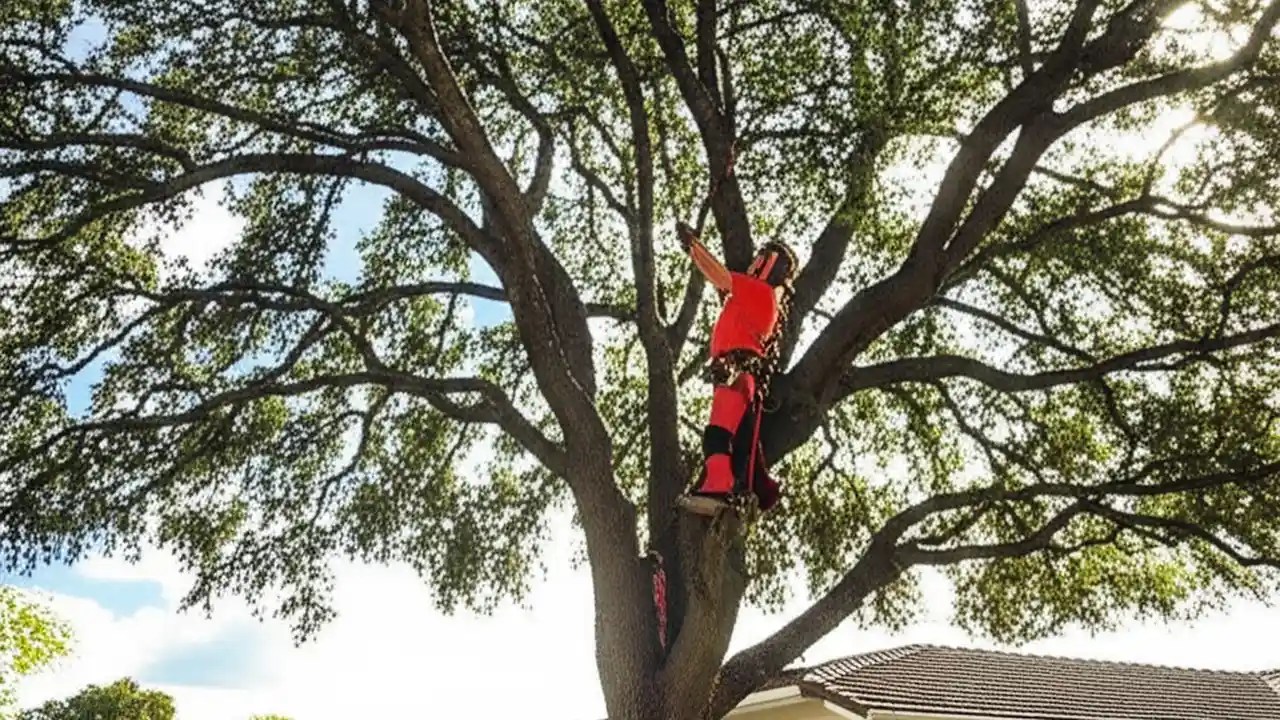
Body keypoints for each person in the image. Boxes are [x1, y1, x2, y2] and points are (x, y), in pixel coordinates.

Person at [677, 221, 796, 515]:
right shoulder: (756, 297)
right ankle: (722, 485)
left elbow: (719, 276)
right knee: (720, 433)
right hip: (734, 371)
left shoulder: (760, 292)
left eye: (763, 258)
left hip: (737, 370)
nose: (756, 261)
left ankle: (719, 487)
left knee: (717, 432)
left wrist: (694, 247)